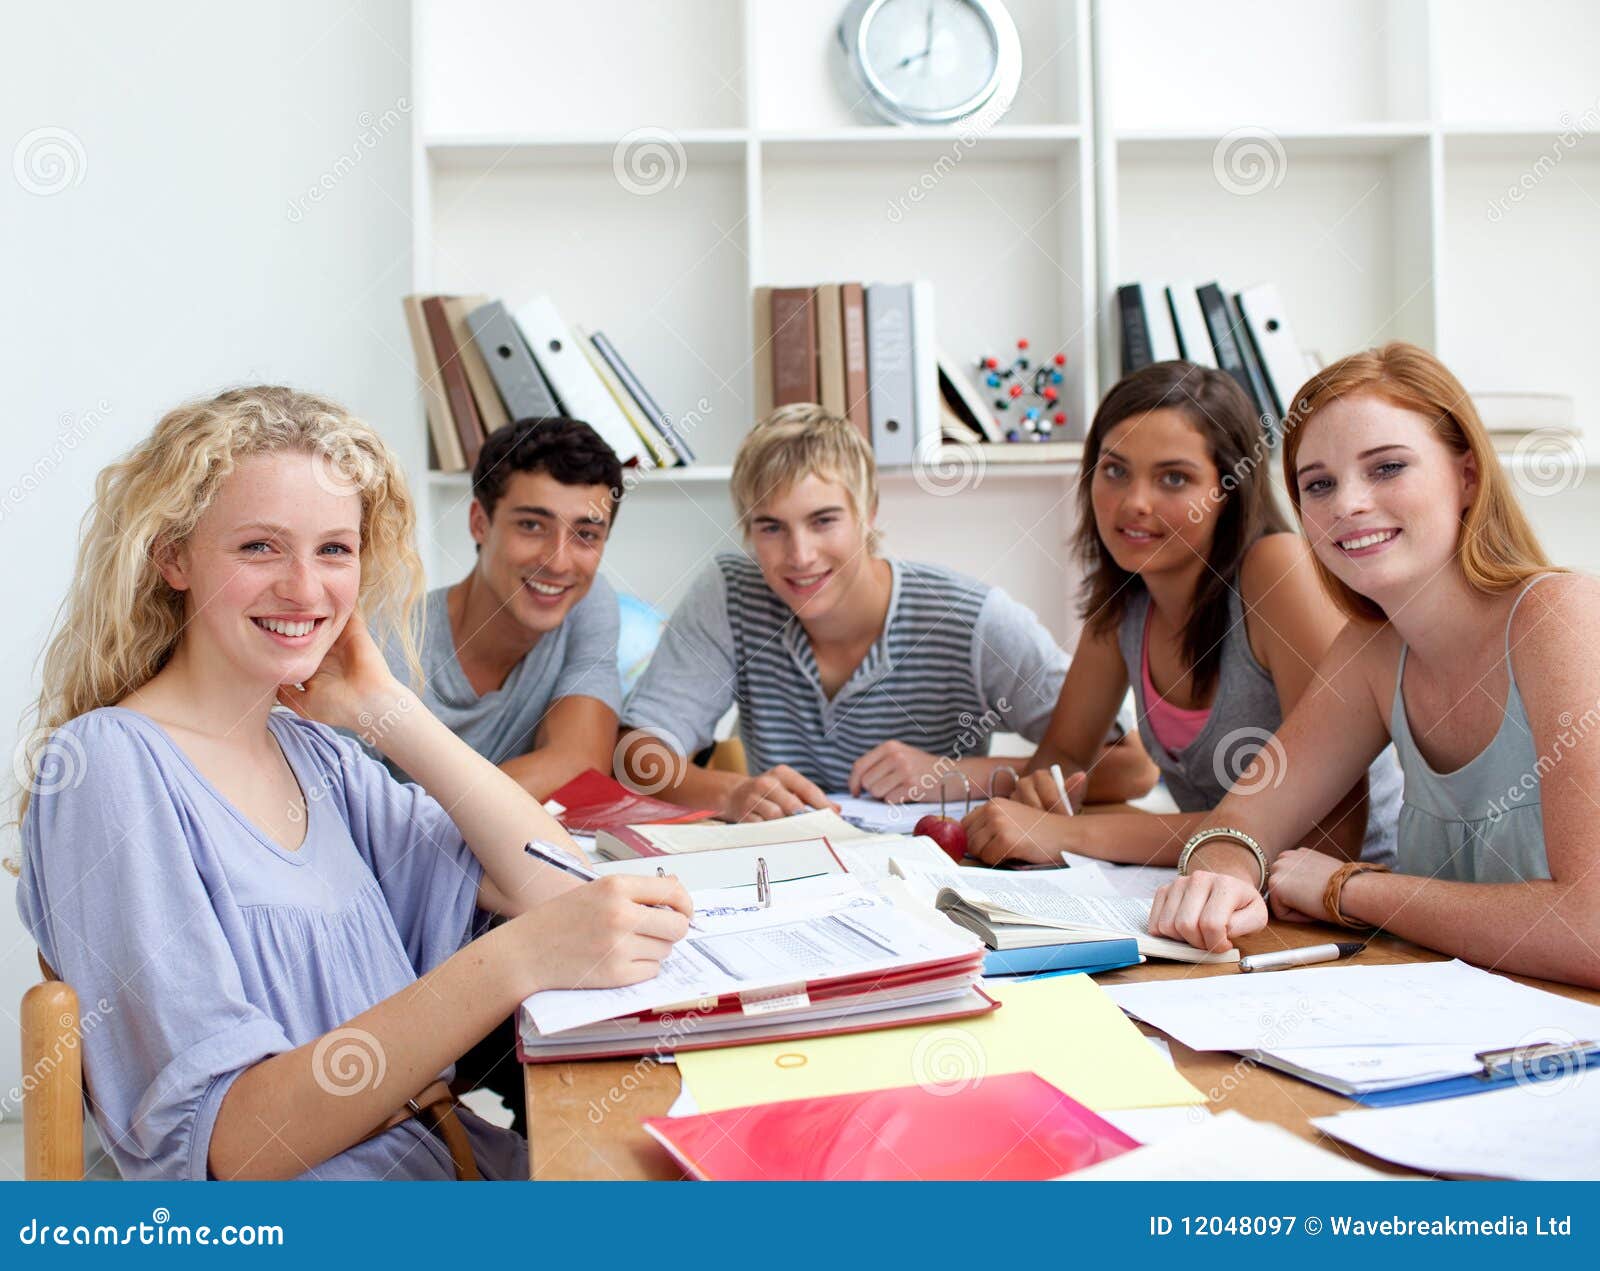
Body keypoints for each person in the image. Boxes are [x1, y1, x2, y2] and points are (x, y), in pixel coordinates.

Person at [14, 387, 690, 1180]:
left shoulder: (318, 756)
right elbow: (232, 1143)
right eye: (261, 547)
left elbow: (552, 885)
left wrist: (388, 710)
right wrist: (514, 961)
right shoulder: (111, 768)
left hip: (447, 1168)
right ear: (173, 556)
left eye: (335, 549)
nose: (305, 590)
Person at [1144, 343, 1600, 990]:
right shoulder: (1373, 649)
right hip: (1473, 1030)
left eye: (1386, 468)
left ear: (1466, 476)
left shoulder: (1563, 618)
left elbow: (1590, 930)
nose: (1348, 504)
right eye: (1319, 483)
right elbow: (1243, 820)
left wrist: (1348, 889)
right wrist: (1220, 876)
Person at [619, 403, 1155, 822]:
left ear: (868, 512)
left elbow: (1130, 768)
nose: (799, 555)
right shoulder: (730, 595)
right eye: (771, 527)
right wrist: (733, 792)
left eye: (824, 520)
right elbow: (639, 757)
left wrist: (960, 776)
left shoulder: (970, 620)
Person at [961, 362, 1401, 868]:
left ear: (1229, 492)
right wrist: (1042, 795)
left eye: (1174, 478)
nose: (1134, 503)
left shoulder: (1278, 569)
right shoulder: (1127, 599)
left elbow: (1322, 834)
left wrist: (1073, 833)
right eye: (1115, 470)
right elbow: (1061, 759)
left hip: (1349, 910)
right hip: (1226, 893)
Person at [374, 416, 624, 800]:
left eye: (585, 535)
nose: (558, 563)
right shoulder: (388, 643)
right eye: (531, 525)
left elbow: (577, 762)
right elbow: (332, 814)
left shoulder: (586, 603)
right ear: (480, 523)